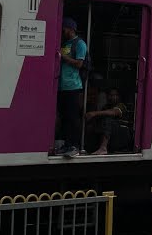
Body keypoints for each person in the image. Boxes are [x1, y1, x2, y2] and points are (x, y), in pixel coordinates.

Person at [53, 18, 87, 159]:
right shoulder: (65, 44)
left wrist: (63, 57)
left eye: (64, 29)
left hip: (73, 86)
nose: (63, 31)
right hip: (62, 86)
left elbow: (79, 64)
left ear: (71, 29)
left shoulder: (80, 44)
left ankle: (74, 146)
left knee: (73, 117)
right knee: (64, 117)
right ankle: (65, 144)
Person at [84, 87, 127, 156]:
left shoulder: (122, 105)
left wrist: (94, 113)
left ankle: (103, 148)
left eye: (115, 95)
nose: (113, 97)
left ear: (119, 96)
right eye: (111, 95)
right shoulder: (106, 106)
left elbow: (113, 112)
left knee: (107, 119)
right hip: (111, 136)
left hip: (121, 134)